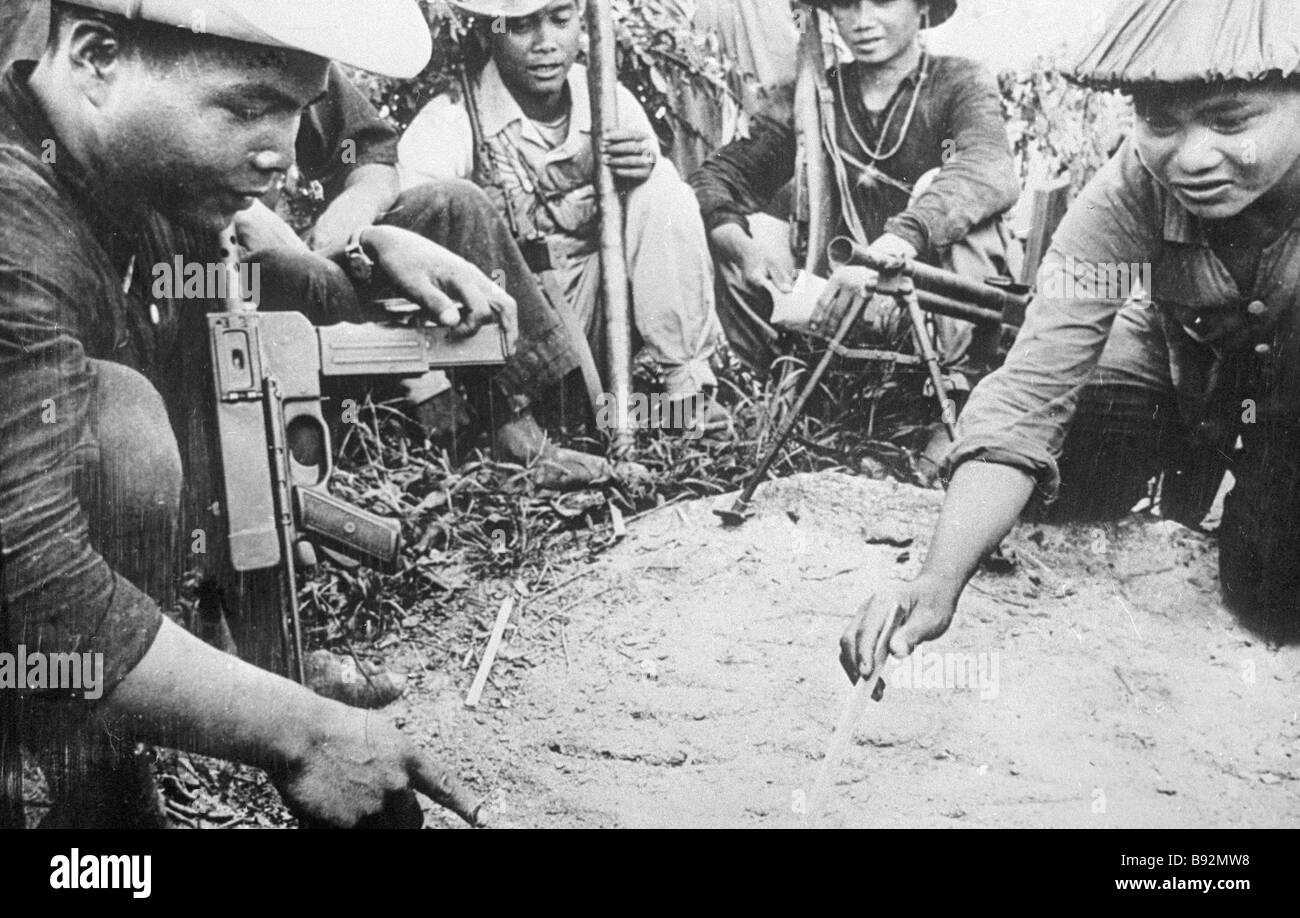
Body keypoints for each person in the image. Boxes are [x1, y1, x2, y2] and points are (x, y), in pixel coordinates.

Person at [1, 0, 484, 828]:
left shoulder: (133, 168)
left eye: (298, 109)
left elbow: (242, 284)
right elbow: (39, 585)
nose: (285, 157)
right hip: (32, 619)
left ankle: (99, 784)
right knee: (122, 431)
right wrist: (303, 735)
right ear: (95, 56)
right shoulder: (13, 216)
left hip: (41, 645)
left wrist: (370, 257)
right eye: (249, 105)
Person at [841, 0, 1300, 682]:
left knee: (1270, 574)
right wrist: (936, 580)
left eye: (1232, 120)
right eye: (1161, 122)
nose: (1193, 156)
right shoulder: (1130, 191)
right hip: (1180, 367)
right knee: (1068, 471)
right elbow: (1032, 388)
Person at [397, 0, 725, 426]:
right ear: (488, 31)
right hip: (515, 340)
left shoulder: (608, 100)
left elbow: (662, 229)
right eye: (521, 26)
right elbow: (410, 245)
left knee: (661, 183)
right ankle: (515, 425)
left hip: (605, 324)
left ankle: (686, 395)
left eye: (560, 19)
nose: (545, 44)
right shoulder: (450, 121)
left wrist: (639, 168)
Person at [690, 0, 1021, 390]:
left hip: (932, 299)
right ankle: (777, 384)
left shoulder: (958, 82)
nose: (863, 22)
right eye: (847, 4)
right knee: (723, 233)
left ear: (921, 8)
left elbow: (988, 167)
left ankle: (955, 389)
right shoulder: (814, 97)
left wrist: (886, 252)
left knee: (960, 205)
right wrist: (740, 246)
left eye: (882, 2)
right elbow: (716, 178)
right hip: (840, 297)